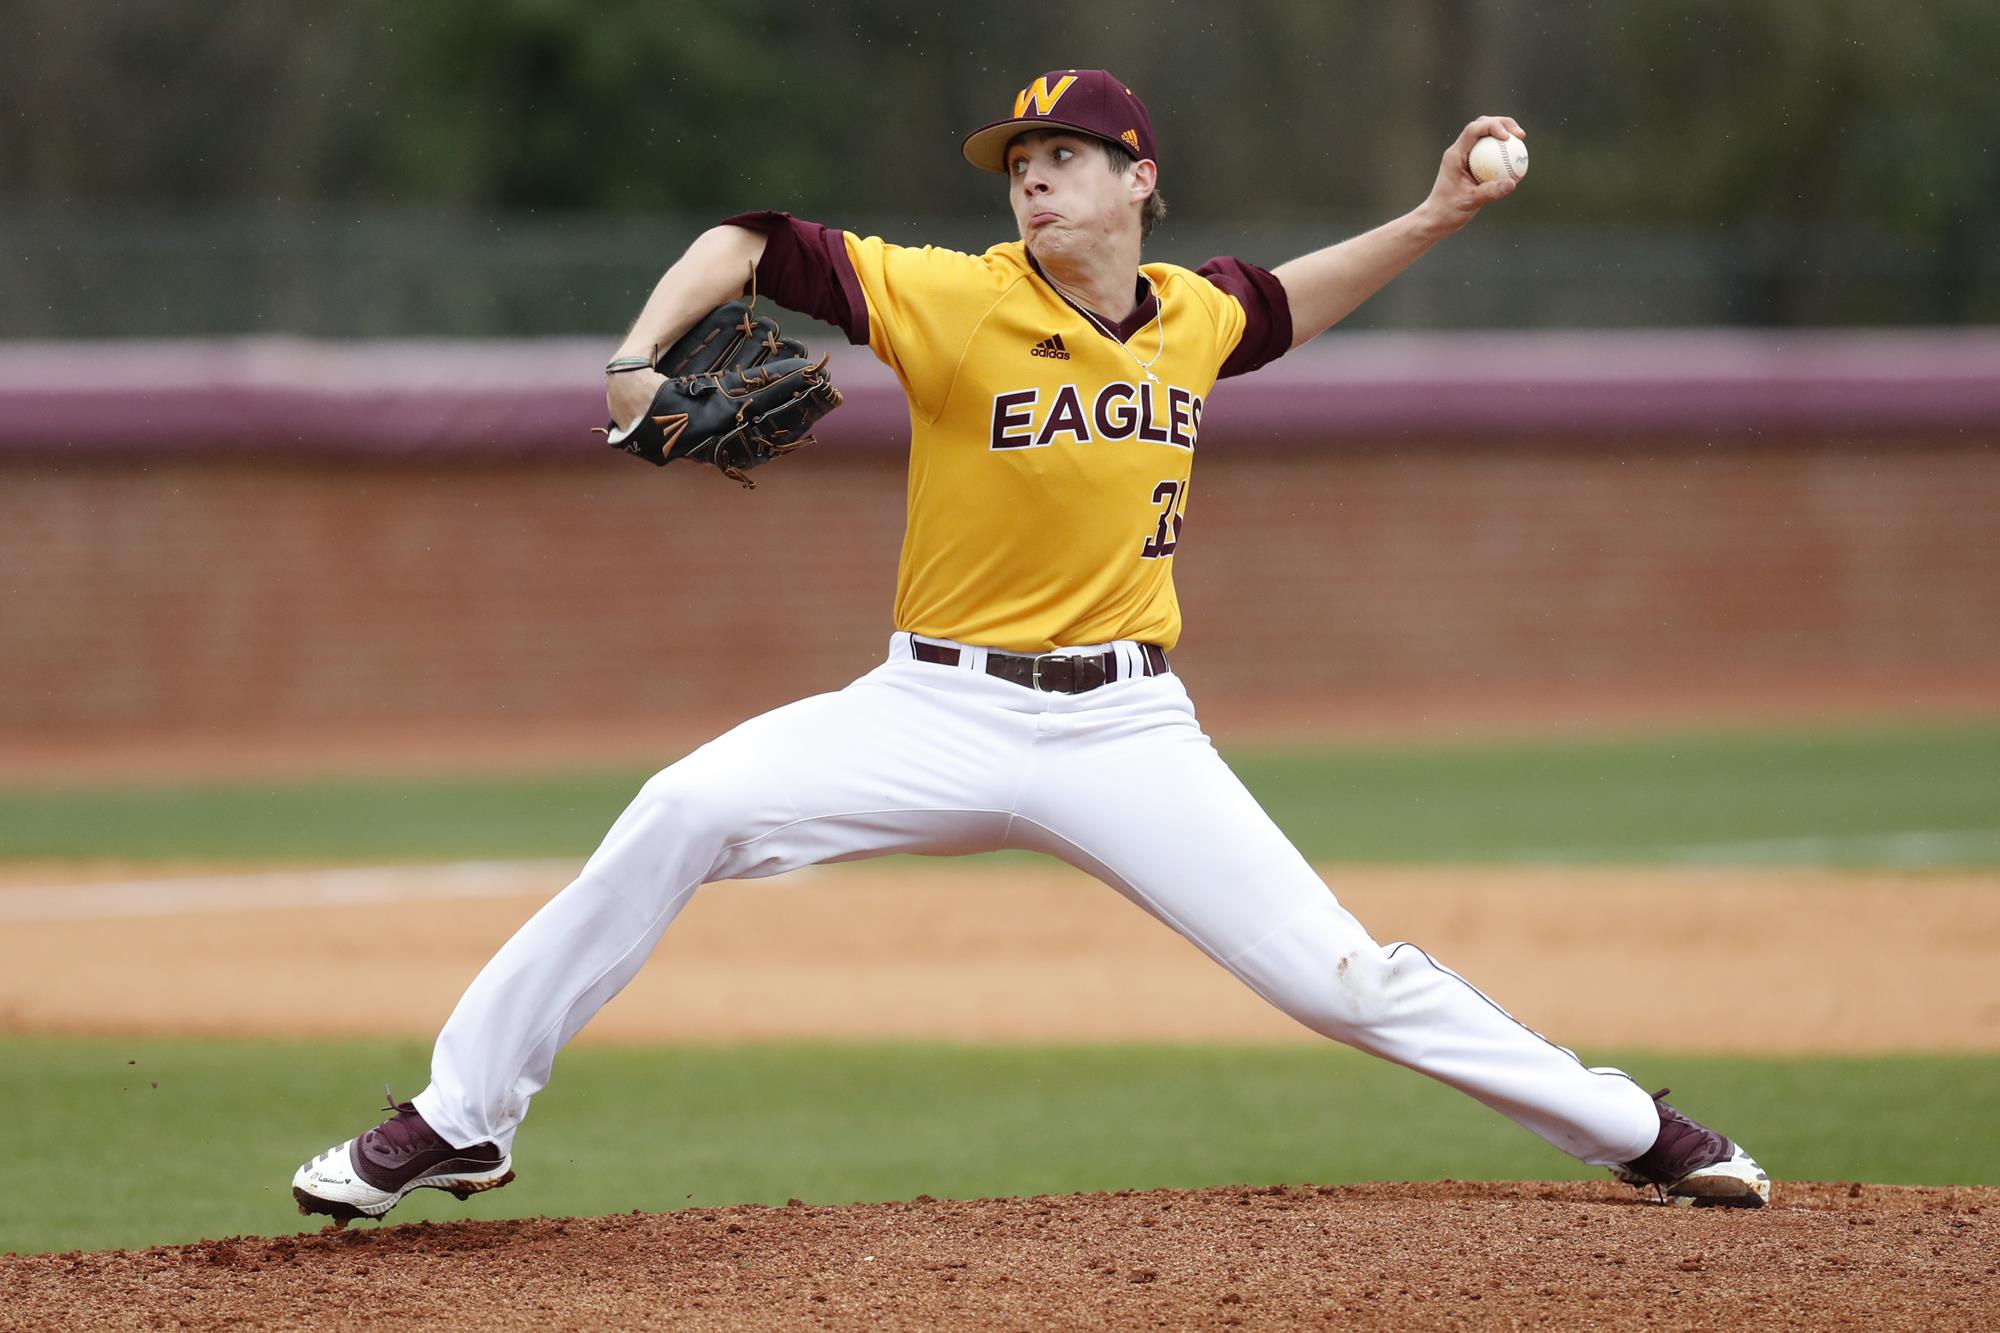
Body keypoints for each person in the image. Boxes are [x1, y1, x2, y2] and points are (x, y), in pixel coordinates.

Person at [292, 69, 1769, 1223]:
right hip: (929, 705)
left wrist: (1439, 212)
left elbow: (1289, 303)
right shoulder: (955, 295)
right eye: (1019, 162)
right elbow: (750, 237)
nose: (1034, 179)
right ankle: (462, 1113)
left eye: (1062, 156)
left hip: (1129, 732)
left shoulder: (1190, 317)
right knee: (682, 807)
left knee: (1343, 980)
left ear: (1139, 182)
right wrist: (631, 357)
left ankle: (1636, 1129)